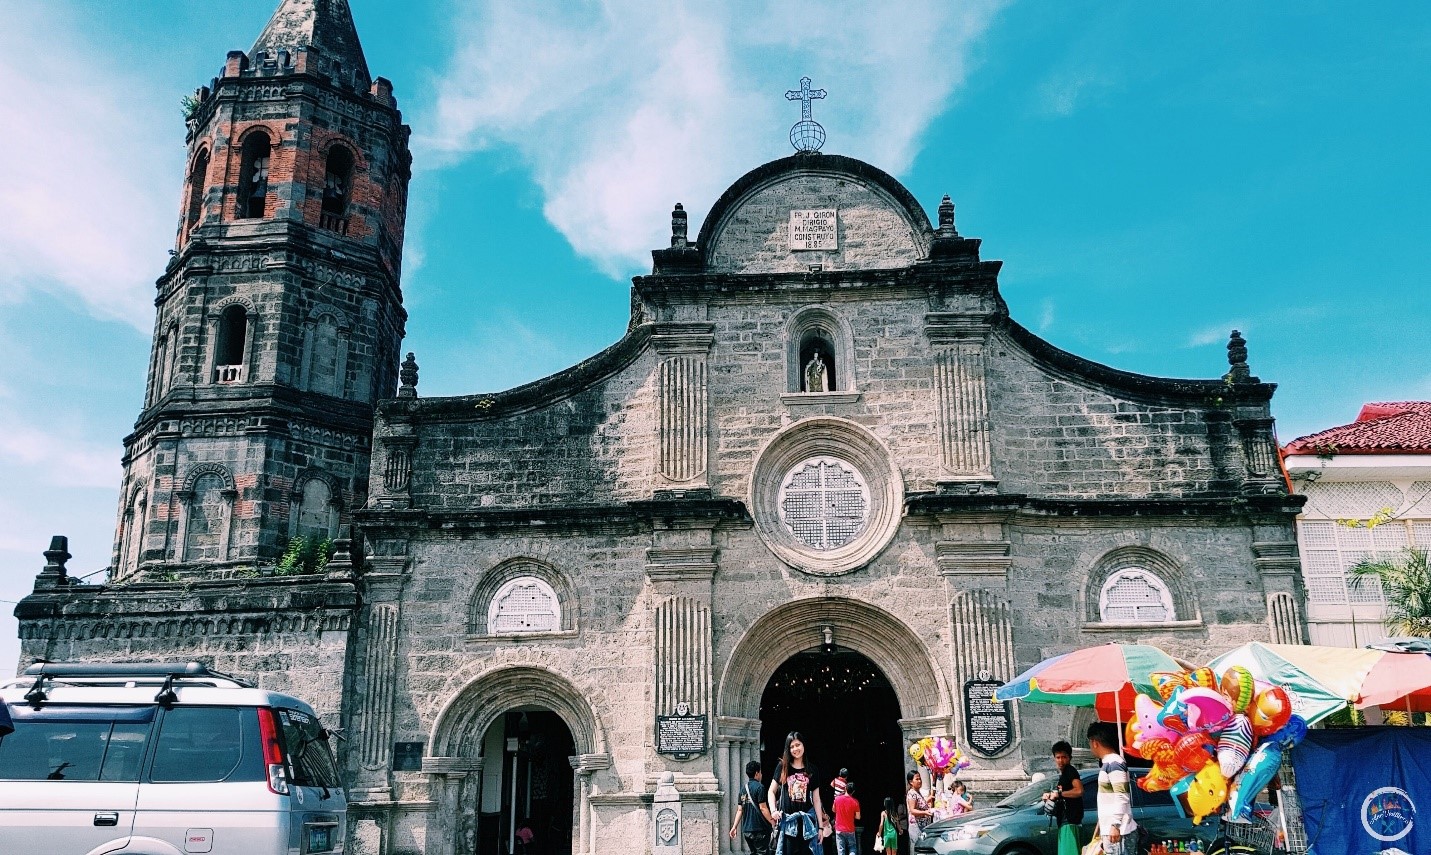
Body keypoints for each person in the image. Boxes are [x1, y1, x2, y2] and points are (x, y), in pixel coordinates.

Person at [767, 731, 830, 855]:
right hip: (788, 825)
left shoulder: (812, 770)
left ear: (803, 745)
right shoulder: (783, 767)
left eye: (798, 744)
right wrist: (773, 811)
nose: (795, 749)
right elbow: (771, 791)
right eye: (792, 746)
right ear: (788, 749)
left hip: (808, 825)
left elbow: (816, 800)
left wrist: (821, 827)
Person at [1088, 722, 1141, 855]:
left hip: (1120, 833)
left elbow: (1122, 795)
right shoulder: (1109, 763)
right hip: (1112, 831)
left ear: (1094, 742)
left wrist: (1115, 825)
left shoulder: (1114, 763)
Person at [1040, 740, 1085, 855]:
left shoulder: (1070, 771)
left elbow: (1079, 790)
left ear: (1069, 758)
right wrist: (1051, 796)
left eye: (1064, 757)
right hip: (1064, 822)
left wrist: (1059, 794)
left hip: (1069, 822)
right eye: (1058, 757)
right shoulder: (1064, 774)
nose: (1061, 761)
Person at [730, 759, 774, 854]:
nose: (761, 774)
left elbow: (740, 810)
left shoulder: (743, 789)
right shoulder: (760, 787)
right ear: (757, 773)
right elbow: (763, 808)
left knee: (753, 853)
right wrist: (772, 821)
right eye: (760, 772)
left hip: (747, 831)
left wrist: (734, 826)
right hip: (759, 829)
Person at [905, 770, 935, 846]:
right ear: (911, 782)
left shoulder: (918, 792)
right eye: (917, 779)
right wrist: (925, 812)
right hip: (917, 827)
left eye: (920, 779)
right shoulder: (912, 793)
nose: (920, 781)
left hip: (923, 826)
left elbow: (920, 805)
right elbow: (913, 810)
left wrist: (928, 799)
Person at [832, 780, 860, 855]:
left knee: (841, 850)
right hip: (850, 829)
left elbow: (833, 810)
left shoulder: (837, 799)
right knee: (852, 848)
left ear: (845, 789)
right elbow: (858, 817)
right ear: (853, 791)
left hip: (839, 829)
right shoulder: (855, 802)